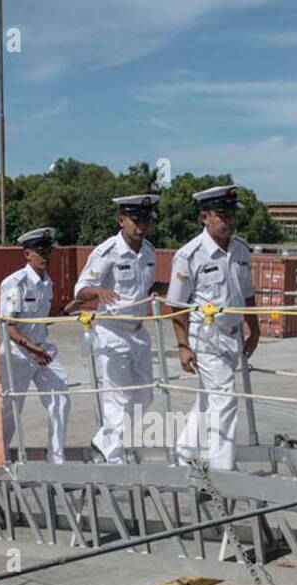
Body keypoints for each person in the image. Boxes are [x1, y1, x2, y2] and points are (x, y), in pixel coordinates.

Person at [168, 185, 258, 471]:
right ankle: (220, 468)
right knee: (225, 397)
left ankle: (184, 450)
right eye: (223, 215)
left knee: (208, 398)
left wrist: (253, 329)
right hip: (204, 338)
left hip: (232, 338)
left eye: (232, 215)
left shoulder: (241, 249)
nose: (229, 221)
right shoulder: (189, 255)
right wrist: (183, 346)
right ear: (204, 217)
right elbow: (177, 304)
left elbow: (247, 294)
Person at [74, 194, 167, 463]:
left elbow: (143, 288)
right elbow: (79, 290)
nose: (141, 226)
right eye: (135, 220)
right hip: (112, 331)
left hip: (139, 332)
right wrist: (98, 290)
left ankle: (102, 442)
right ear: (121, 220)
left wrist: (160, 289)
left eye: (146, 220)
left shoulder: (148, 251)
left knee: (144, 397)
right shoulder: (106, 252)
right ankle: (114, 462)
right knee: (117, 398)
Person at [0, 227, 70, 463]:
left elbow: (43, 317)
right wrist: (31, 349)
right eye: (40, 251)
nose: (45, 256)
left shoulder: (46, 283)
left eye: (48, 250)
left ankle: (56, 459)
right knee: (9, 409)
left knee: (60, 399)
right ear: (27, 254)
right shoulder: (15, 283)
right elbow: (9, 325)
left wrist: (71, 310)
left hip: (42, 350)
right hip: (17, 353)